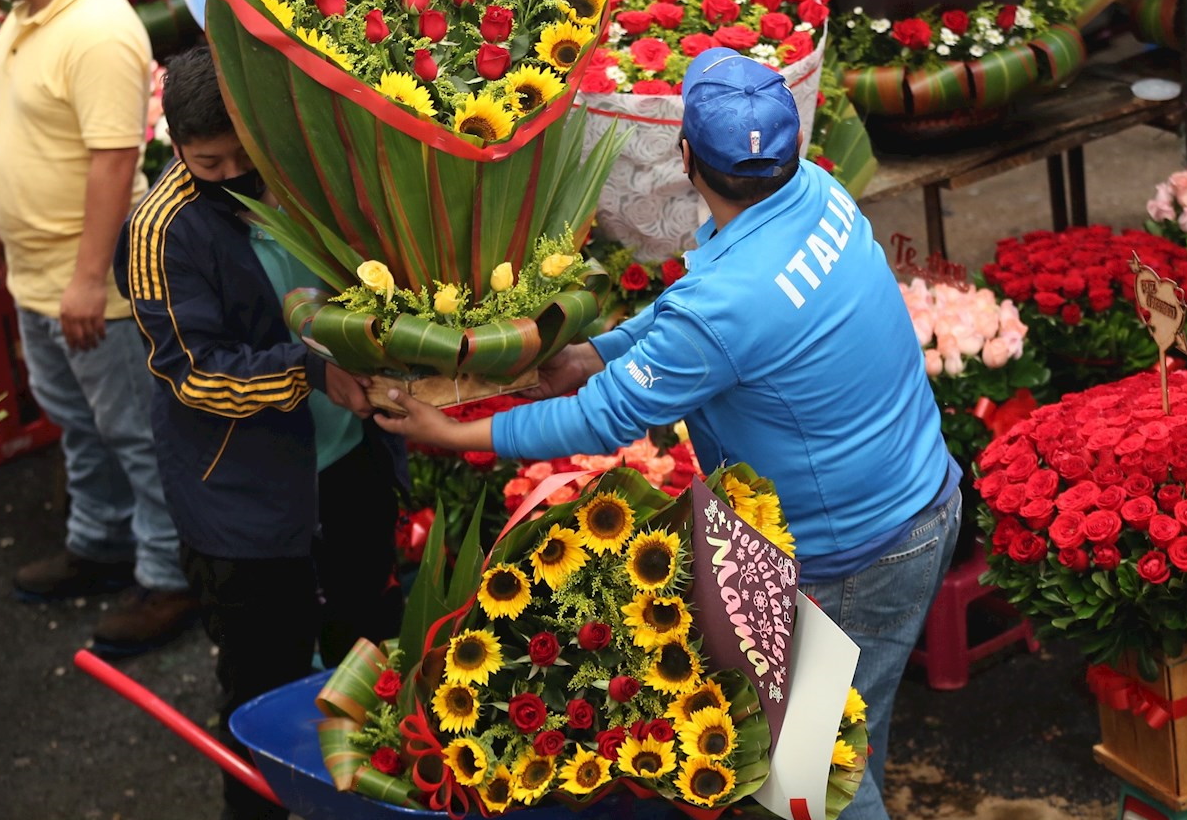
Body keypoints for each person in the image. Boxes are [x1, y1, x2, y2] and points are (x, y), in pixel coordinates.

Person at [376, 49, 958, 820]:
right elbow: (693, 313)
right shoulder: (815, 194)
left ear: (685, 156)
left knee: (812, 775)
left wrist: (447, 432)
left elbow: (606, 416)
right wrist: (594, 354)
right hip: (916, 502)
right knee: (836, 750)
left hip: (851, 552)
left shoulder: (728, 302)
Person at [115, 46, 403, 820]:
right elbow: (193, 372)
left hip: (348, 463)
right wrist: (310, 371)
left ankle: (360, 798)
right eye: (209, 162)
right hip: (239, 494)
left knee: (365, 653)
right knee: (263, 685)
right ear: (174, 145)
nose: (235, 173)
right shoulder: (160, 231)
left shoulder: (306, 167)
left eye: (246, 153)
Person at [0, 0, 194, 655]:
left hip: (89, 284)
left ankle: (169, 579)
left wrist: (91, 280)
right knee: (78, 423)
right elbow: (27, 128)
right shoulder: (28, 13)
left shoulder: (100, 31)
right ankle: (99, 543)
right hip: (36, 273)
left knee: (133, 430)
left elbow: (112, 161)